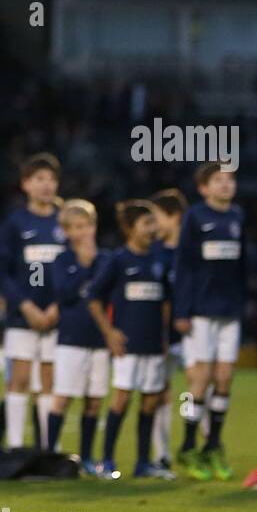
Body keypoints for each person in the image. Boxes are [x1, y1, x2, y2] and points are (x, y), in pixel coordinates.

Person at [86, 201, 175, 481]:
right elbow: (93, 297)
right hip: (127, 344)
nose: (153, 229)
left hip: (152, 343)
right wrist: (109, 332)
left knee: (150, 402)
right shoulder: (119, 260)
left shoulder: (160, 259)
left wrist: (164, 334)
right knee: (121, 400)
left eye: (153, 223)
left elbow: (166, 301)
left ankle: (142, 463)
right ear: (129, 228)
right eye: (146, 224)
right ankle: (107, 460)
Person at [173, 162, 247, 481]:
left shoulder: (238, 217)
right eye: (218, 180)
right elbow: (184, 266)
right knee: (199, 379)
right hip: (201, 309)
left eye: (230, 180)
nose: (226, 185)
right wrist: (182, 310)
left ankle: (213, 445)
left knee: (226, 377)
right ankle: (188, 443)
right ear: (204, 187)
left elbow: (242, 265)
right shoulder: (195, 217)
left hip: (229, 310)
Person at [0, 153, 65, 448]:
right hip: (22, 316)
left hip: (56, 316)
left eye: (51, 180)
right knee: (20, 379)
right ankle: (14, 446)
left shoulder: (66, 222)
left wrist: (58, 306)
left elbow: (76, 270)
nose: (46, 185)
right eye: (39, 179)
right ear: (26, 184)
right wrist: (25, 305)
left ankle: (48, 448)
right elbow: (3, 272)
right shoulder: (15, 223)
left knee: (49, 382)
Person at [47, 199, 109, 474]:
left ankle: (86, 457)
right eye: (76, 228)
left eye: (86, 226)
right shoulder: (62, 260)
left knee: (94, 400)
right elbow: (65, 293)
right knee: (63, 398)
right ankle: (49, 455)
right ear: (67, 231)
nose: (83, 233)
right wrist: (84, 266)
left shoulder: (107, 260)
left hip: (99, 340)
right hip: (71, 338)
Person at [149, 188, 187, 471]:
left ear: (174, 217)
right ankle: (161, 453)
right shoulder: (154, 252)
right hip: (162, 335)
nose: (153, 225)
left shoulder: (191, 251)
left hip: (192, 332)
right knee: (160, 392)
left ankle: (199, 446)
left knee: (198, 391)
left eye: (157, 218)